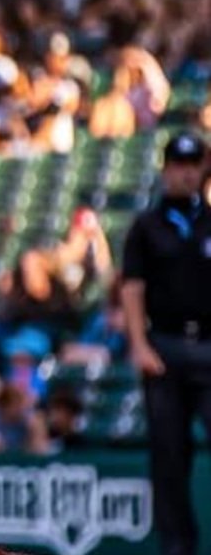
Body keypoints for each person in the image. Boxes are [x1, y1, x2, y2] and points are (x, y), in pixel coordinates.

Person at [121, 131, 211, 555]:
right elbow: (132, 289)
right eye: (179, 164)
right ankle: (178, 548)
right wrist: (139, 344)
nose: (186, 173)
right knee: (169, 457)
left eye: (194, 165)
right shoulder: (147, 226)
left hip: (209, 348)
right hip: (166, 350)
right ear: (166, 169)